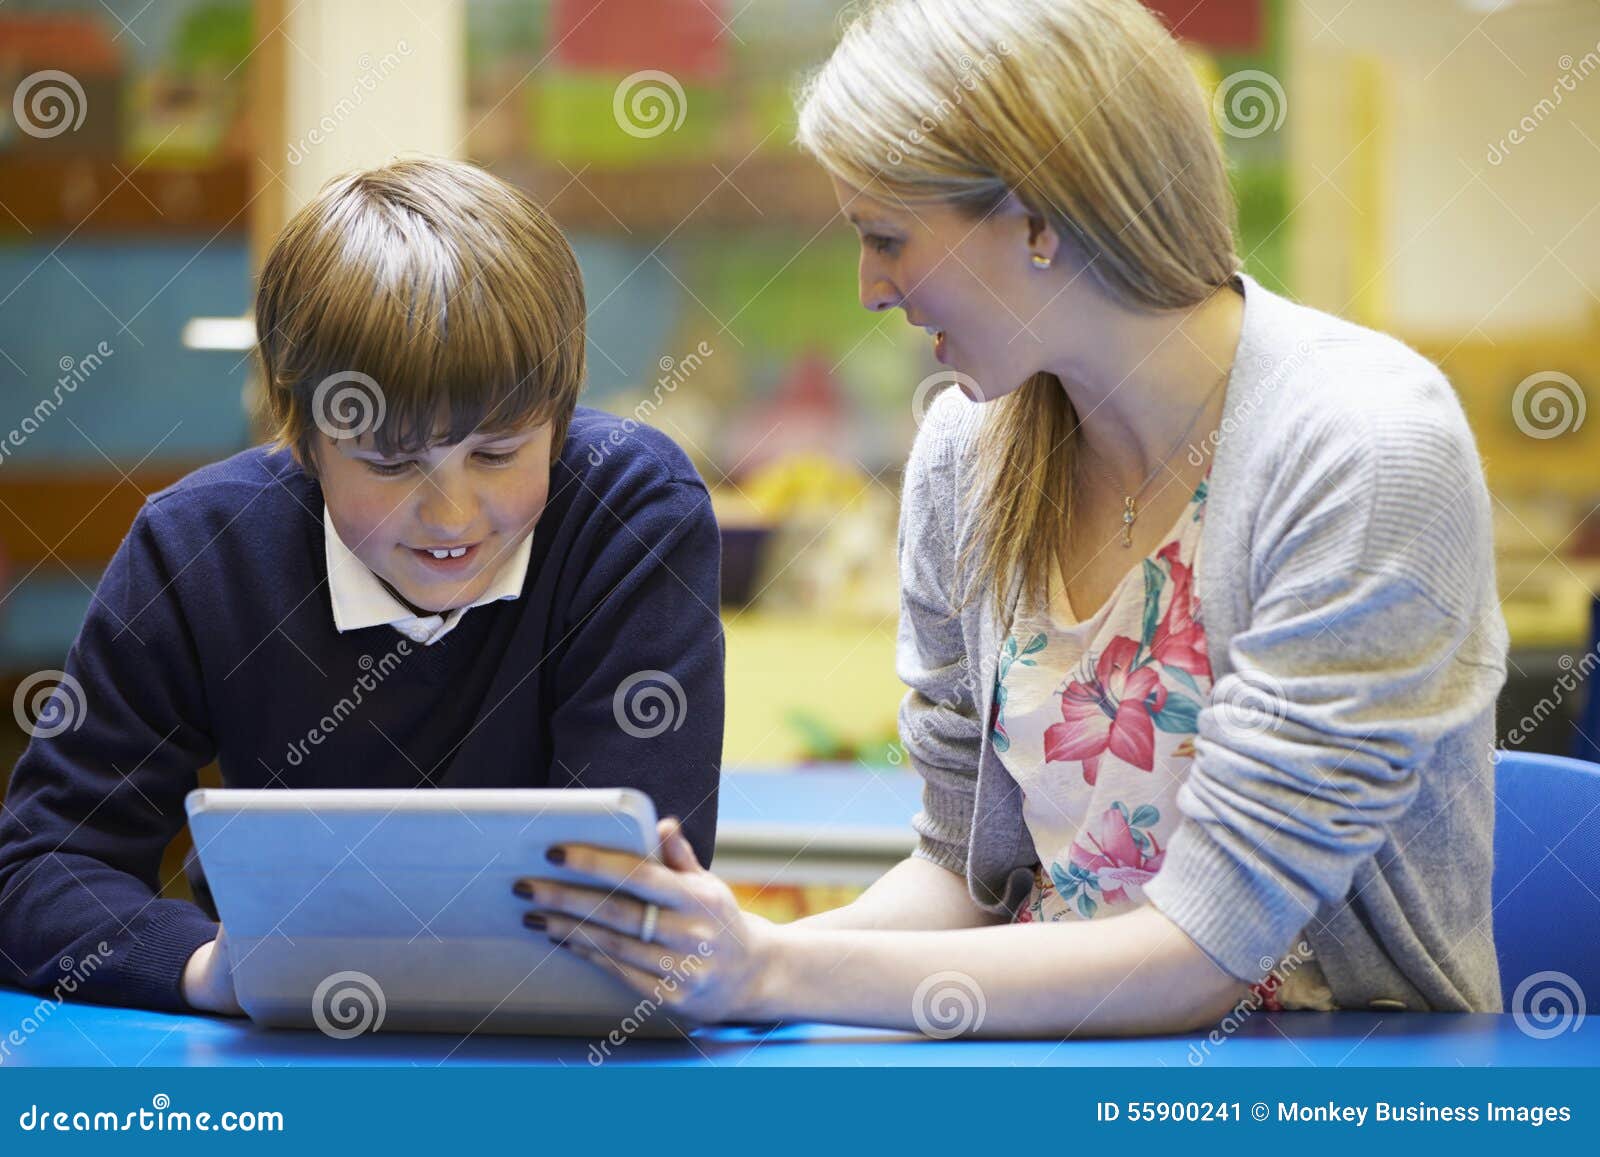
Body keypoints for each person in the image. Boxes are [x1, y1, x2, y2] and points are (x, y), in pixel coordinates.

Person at [508, 0, 1507, 1036]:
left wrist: (773, 972)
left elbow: (1210, 947)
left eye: (887, 237)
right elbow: (962, 870)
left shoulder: (1363, 447)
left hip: (1330, 1091)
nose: (869, 289)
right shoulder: (965, 453)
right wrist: (712, 957)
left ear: (1038, 220)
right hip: (1032, 1063)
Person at [0, 157, 725, 1016]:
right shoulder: (200, 548)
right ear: (303, 441)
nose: (452, 515)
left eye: (497, 454)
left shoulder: (632, 515)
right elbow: (37, 870)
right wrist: (209, 968)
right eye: (390, 464)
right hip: (282, 1061)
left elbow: (631, 907)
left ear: (560, 420)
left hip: (563, 1066)